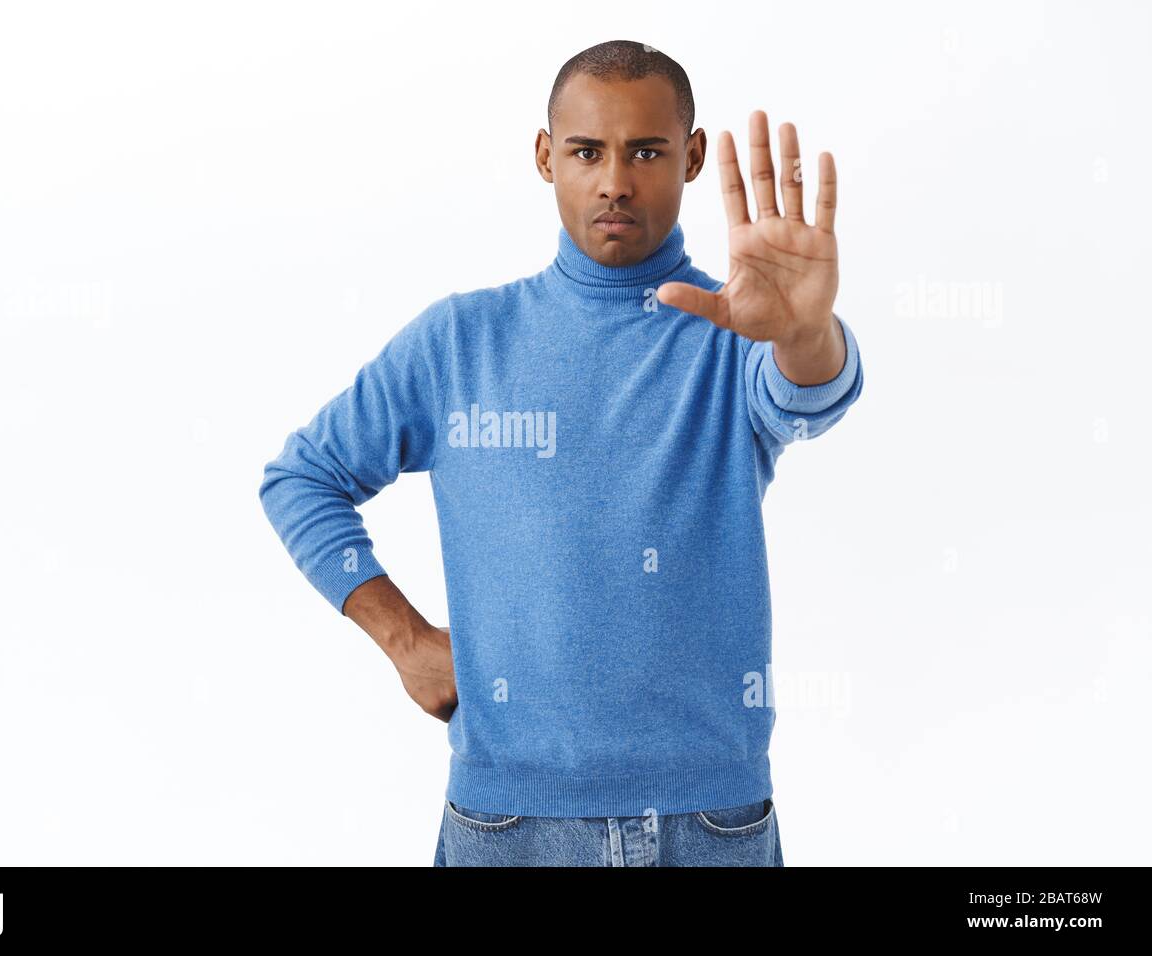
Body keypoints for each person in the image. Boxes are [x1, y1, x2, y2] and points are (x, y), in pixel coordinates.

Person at [259, 39, 862, 866]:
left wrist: (806, 330)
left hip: (710, 823)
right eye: (587, 151)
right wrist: (404, 639)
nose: (615, 180)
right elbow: (302, 477)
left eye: (646, 152)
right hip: (509, 827)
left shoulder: (734, 334)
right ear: (547, 157)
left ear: (690, 158)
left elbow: (811, 392)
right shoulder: (460, 341)